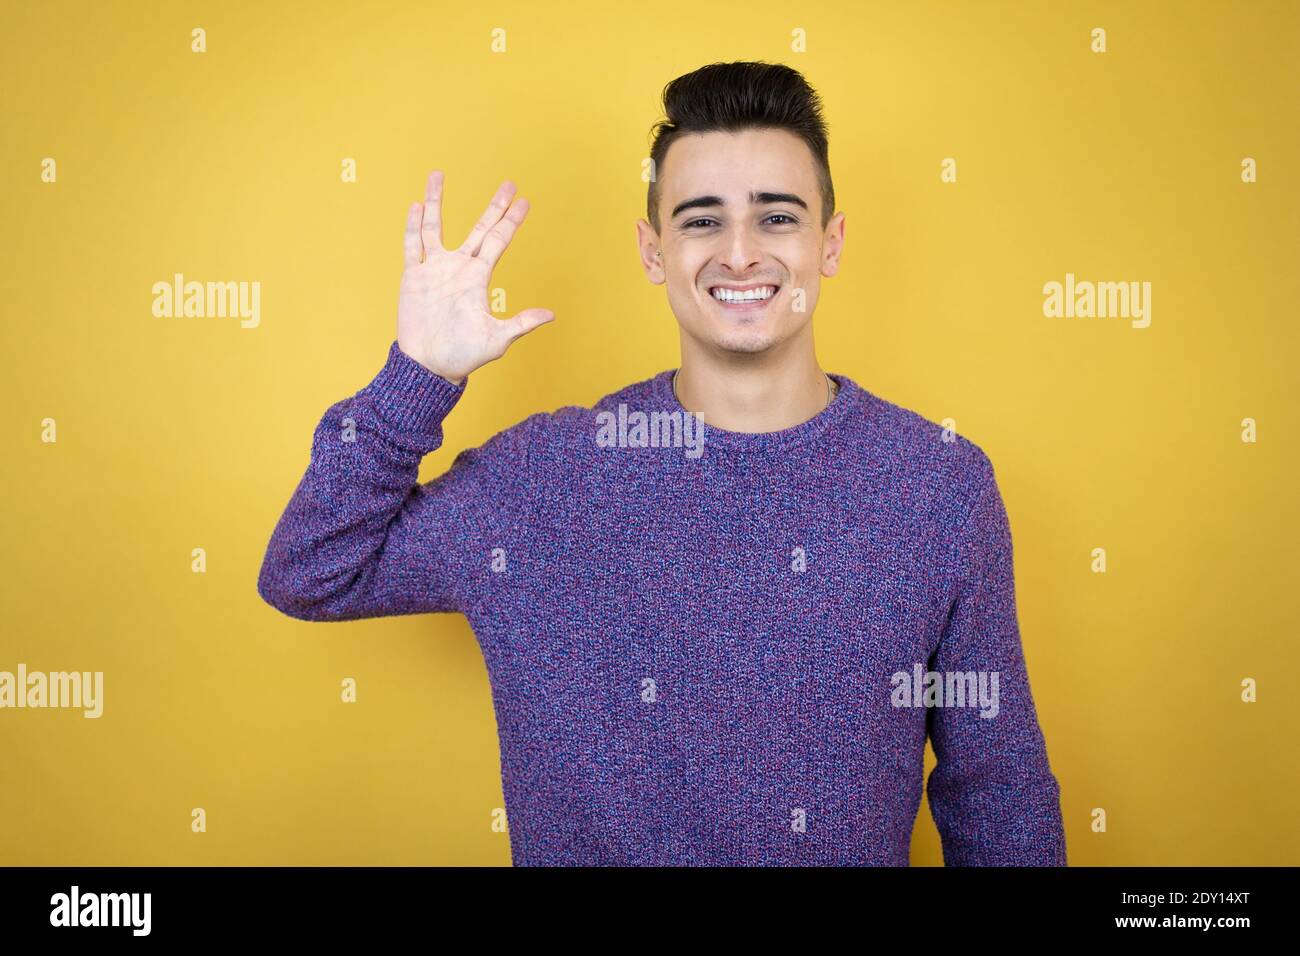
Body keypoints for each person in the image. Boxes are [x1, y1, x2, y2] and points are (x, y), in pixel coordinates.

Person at [258, 60, 1067, 866]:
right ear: (653, 250)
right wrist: (419, 375)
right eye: (702, 221)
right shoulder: (546, 477)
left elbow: (997, 789)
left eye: (778, 218)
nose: (741, 255)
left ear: (832, 242)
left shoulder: (939, 485)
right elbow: (312, 570)